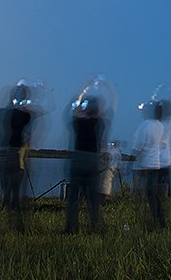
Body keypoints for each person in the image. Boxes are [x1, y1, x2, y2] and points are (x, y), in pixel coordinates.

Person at [0, 82, 33, 236]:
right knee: (15, 195)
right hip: (13, 154)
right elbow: (26, 136)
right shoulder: (26, 115)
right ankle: (18, 230)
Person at [65, 80, 111, 233]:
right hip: (93, 160)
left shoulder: (77, 123)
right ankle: (95, 226)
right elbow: (104, 113)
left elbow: (71, 111)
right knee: (92, 198)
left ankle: (71, 228)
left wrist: (80, 97)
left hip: (78, 159)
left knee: (73, 198)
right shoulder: (101, 124)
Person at [132, 101, 166, 228]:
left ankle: (148, 221)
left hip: (143, 165)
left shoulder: (144, 125)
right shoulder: (159, 125)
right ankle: (159, 220)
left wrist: (131, 159)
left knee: (142, 195)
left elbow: (138, 146)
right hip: (155, 165)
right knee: (153, 195)